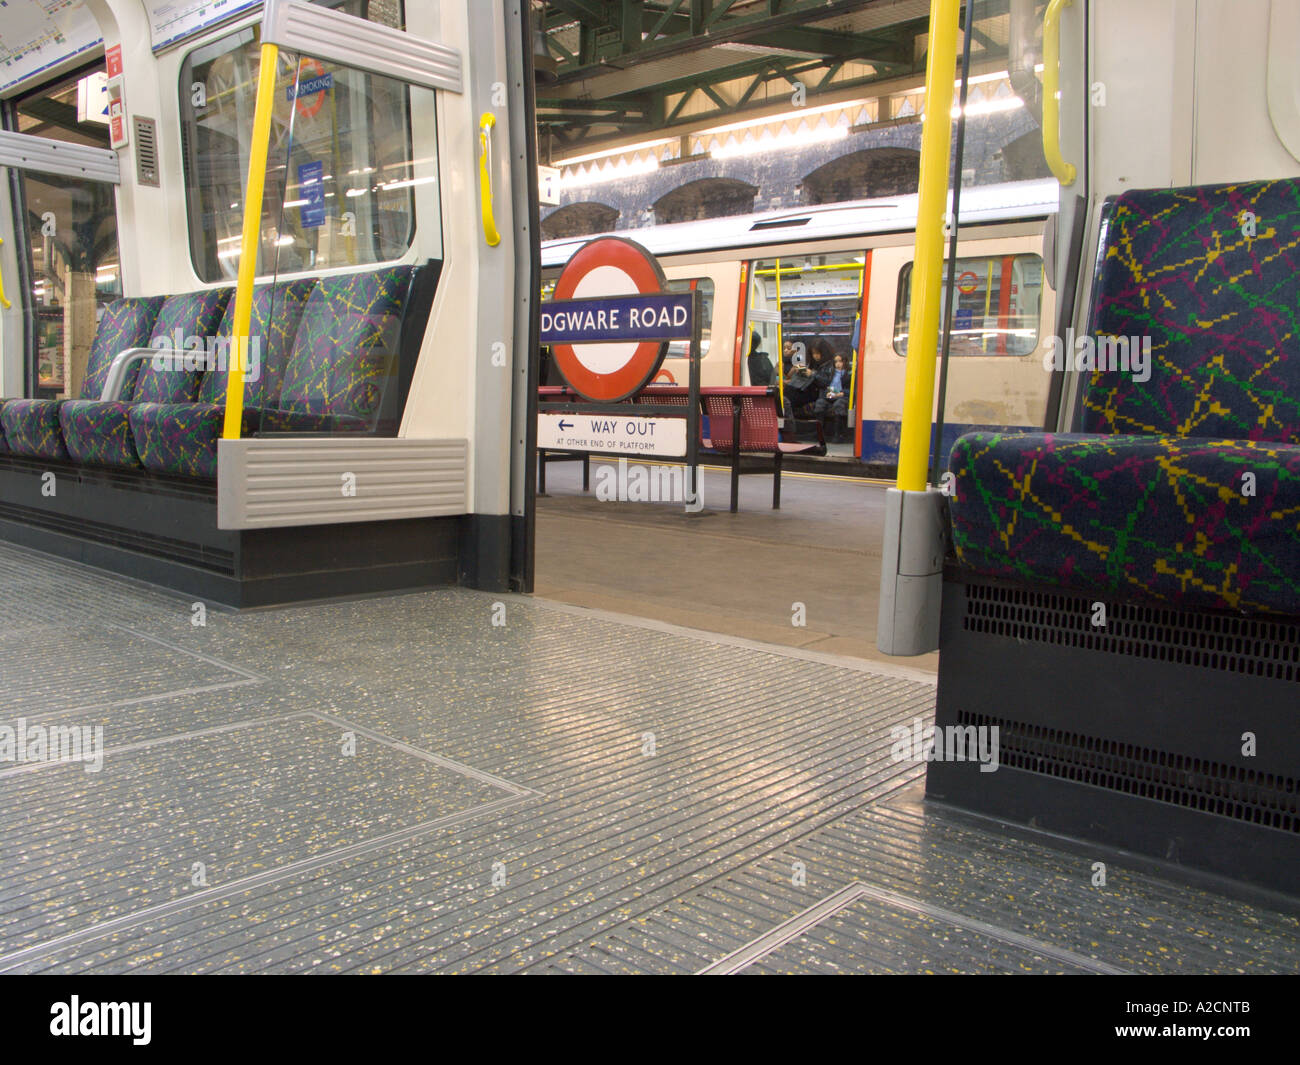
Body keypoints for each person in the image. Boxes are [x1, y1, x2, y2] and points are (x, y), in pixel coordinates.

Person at [814, 353, 851, 442]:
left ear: (845, 362)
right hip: (831, 395)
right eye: (836, 362)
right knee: (820, 403)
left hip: (843, 396)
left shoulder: (850, 374)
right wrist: (827, 393)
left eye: (840, 361)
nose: (838, 364)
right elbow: (827, 386)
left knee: (838, 404)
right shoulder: (831, 373)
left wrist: (841, 393)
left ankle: (838, 434)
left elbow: (852, 390)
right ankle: (819, 433)